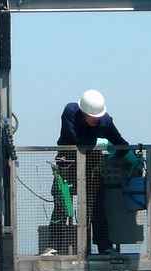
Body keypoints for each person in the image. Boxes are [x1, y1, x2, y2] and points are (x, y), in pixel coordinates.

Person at [51, 89, 130, 254]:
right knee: (61, 203)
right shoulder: (70, 112)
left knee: (97, 206)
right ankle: (54, 246)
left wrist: (114, 158)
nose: (95, 120)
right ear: (83, 112)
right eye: (92, 117)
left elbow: (121, 143)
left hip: (92, 166)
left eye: (98, 118)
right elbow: (74, 139)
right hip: (68, 163)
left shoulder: (105, 121)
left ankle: (104, 246)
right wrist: (98, 142)